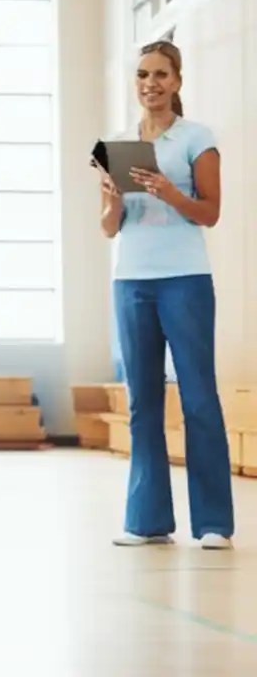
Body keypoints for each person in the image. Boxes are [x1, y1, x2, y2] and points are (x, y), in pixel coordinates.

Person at [97, 40, 233, 550]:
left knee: (199, 397)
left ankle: (214, 523)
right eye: (142, 75)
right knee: (142, 403)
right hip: (131, 281)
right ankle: (147, 520)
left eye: (159, 74)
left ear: (176, 81)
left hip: (185, 280)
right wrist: (113, 200)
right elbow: (109, 227)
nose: (150, 83)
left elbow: (210, 212)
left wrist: (169, 192)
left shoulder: (198, 138)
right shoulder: (115, 144)